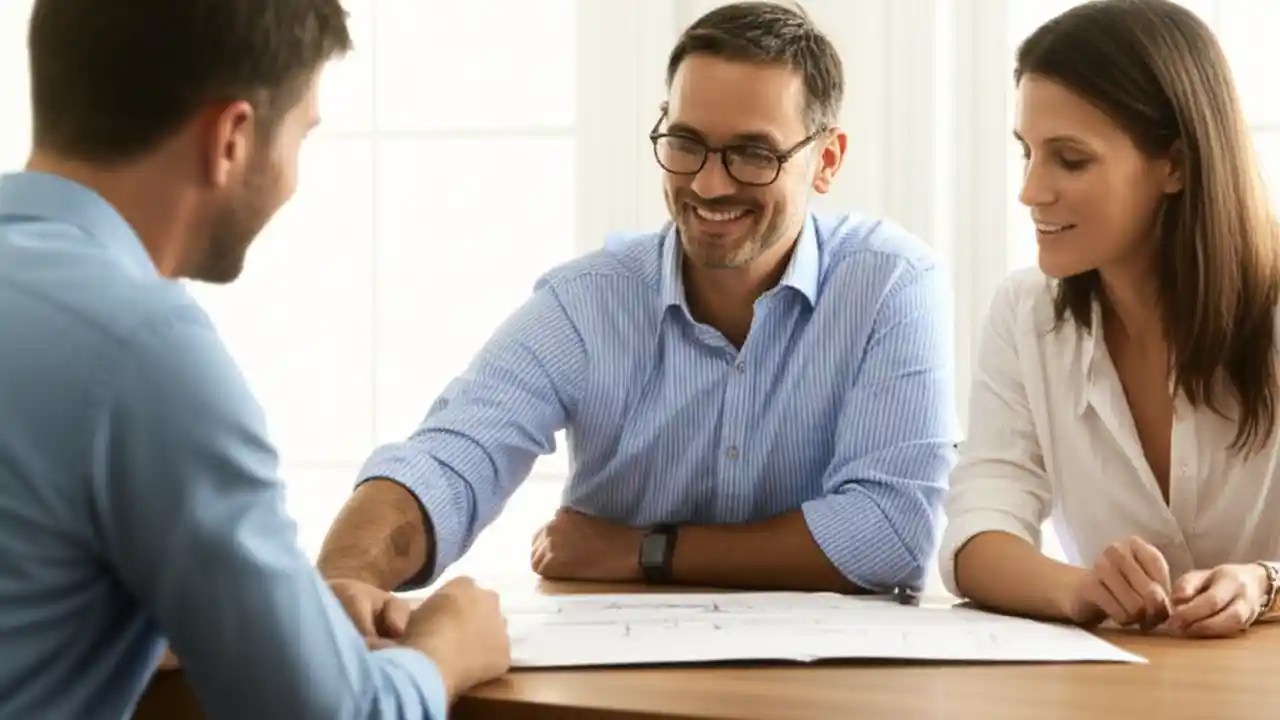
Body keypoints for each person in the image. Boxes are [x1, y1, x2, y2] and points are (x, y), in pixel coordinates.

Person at [317, 0, 957, 639]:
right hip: (615, 683)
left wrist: (641, 550)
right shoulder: (585, 303)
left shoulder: (891, 285)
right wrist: (344, 582)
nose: (707, 186)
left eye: (753, 154)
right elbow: (450, 459)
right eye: (686, 144)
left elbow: (890, 531)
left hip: (836, 689)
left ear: (828, 159)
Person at [0, 1, 509, 718]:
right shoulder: (144, 349)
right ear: (232, 138)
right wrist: (448, 649)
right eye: (302, 135)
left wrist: (258, 616)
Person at [941, 0, 1280, 638]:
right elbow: (977, 534)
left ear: (1174, 165)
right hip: (1120, 689)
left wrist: (1266, 581)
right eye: (1027, 153)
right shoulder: (1026, 314)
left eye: (1070, 160)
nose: (1031, 190)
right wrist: (1080, 589)